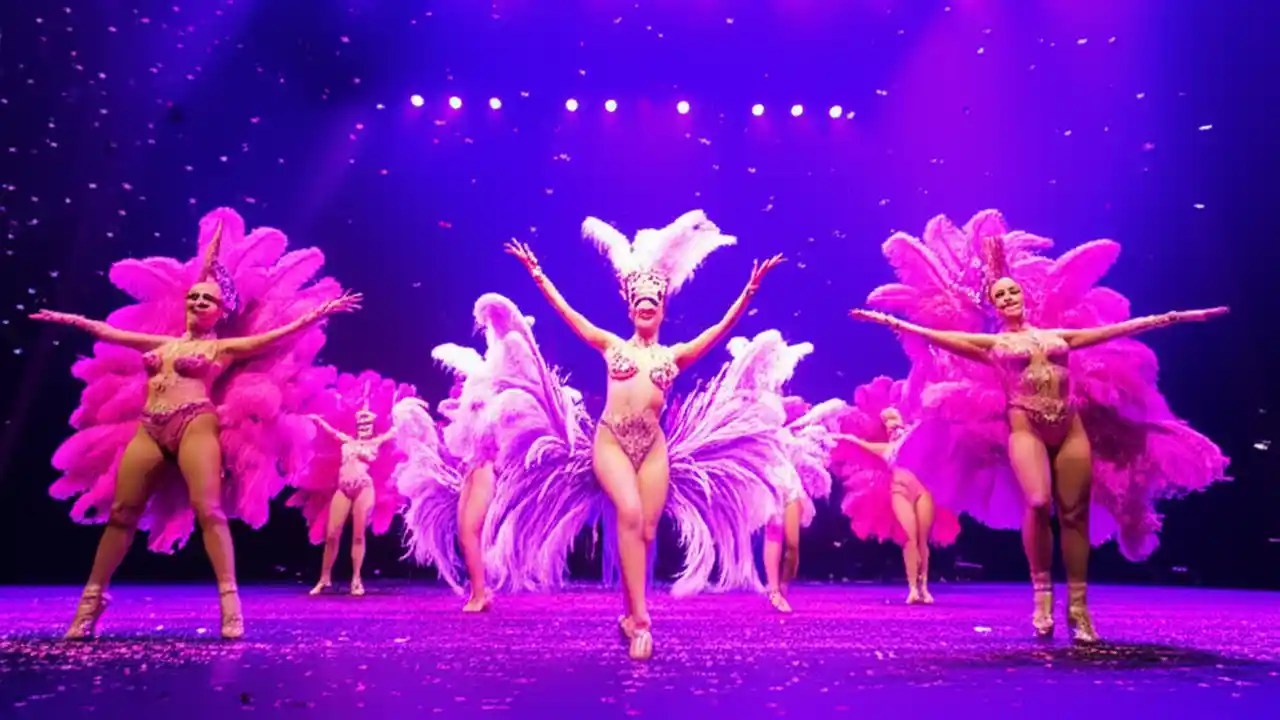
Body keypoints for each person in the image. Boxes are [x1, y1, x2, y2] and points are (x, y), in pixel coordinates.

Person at [849, 209, 1229, 643]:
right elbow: (939, 338)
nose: (1009, 298)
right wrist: (888, 322)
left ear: (1022, 295)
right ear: (994, 305)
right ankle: (1042, 597)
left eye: (1012, 291)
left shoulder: (1058, 338)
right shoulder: (993, 345)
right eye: (1000, 296)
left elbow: (1118, 329)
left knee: (1074, 514)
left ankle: (1080, 609)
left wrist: (1176, 317)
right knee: (1037, 500)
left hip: (1068, 426)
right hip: (1025, 426)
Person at [34, 208, 359, 639]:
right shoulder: (162, 343)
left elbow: (273, 338)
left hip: (194, 424)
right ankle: (92, 602)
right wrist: (68, 320)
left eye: (207, 299)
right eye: (193, 297)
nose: (198, 302)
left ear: (220, 309)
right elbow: (109, 333)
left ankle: (230, 605)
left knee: (209, 510)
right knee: (121, 513)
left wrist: (321, 312)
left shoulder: (224, 347)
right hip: (149, 426)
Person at [505, 210, 783, 660]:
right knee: (629, 512)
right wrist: (537, 274)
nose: (646, 310)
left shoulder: (675, 356)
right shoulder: (611, 345)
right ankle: (641, 621)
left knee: (647, 530)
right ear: (632, 310)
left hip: (653, 450)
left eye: (653, 305)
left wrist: (748, 293)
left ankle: (629, 613)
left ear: (662, 311)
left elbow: (718, 331)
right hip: (612, 441)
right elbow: (569, 314)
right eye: (639, 305)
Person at [831, 376, 962, 605]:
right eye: (887, 425)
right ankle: (912, 587)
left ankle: (924, 587)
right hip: (899, 491)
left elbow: (929, 426)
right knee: (910, 537)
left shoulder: (915, 439)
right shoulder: (885, 449)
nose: (891, 427)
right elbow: (854, 442)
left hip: (924, 491)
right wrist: (837, 436)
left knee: (922, 539)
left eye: (894, 422)